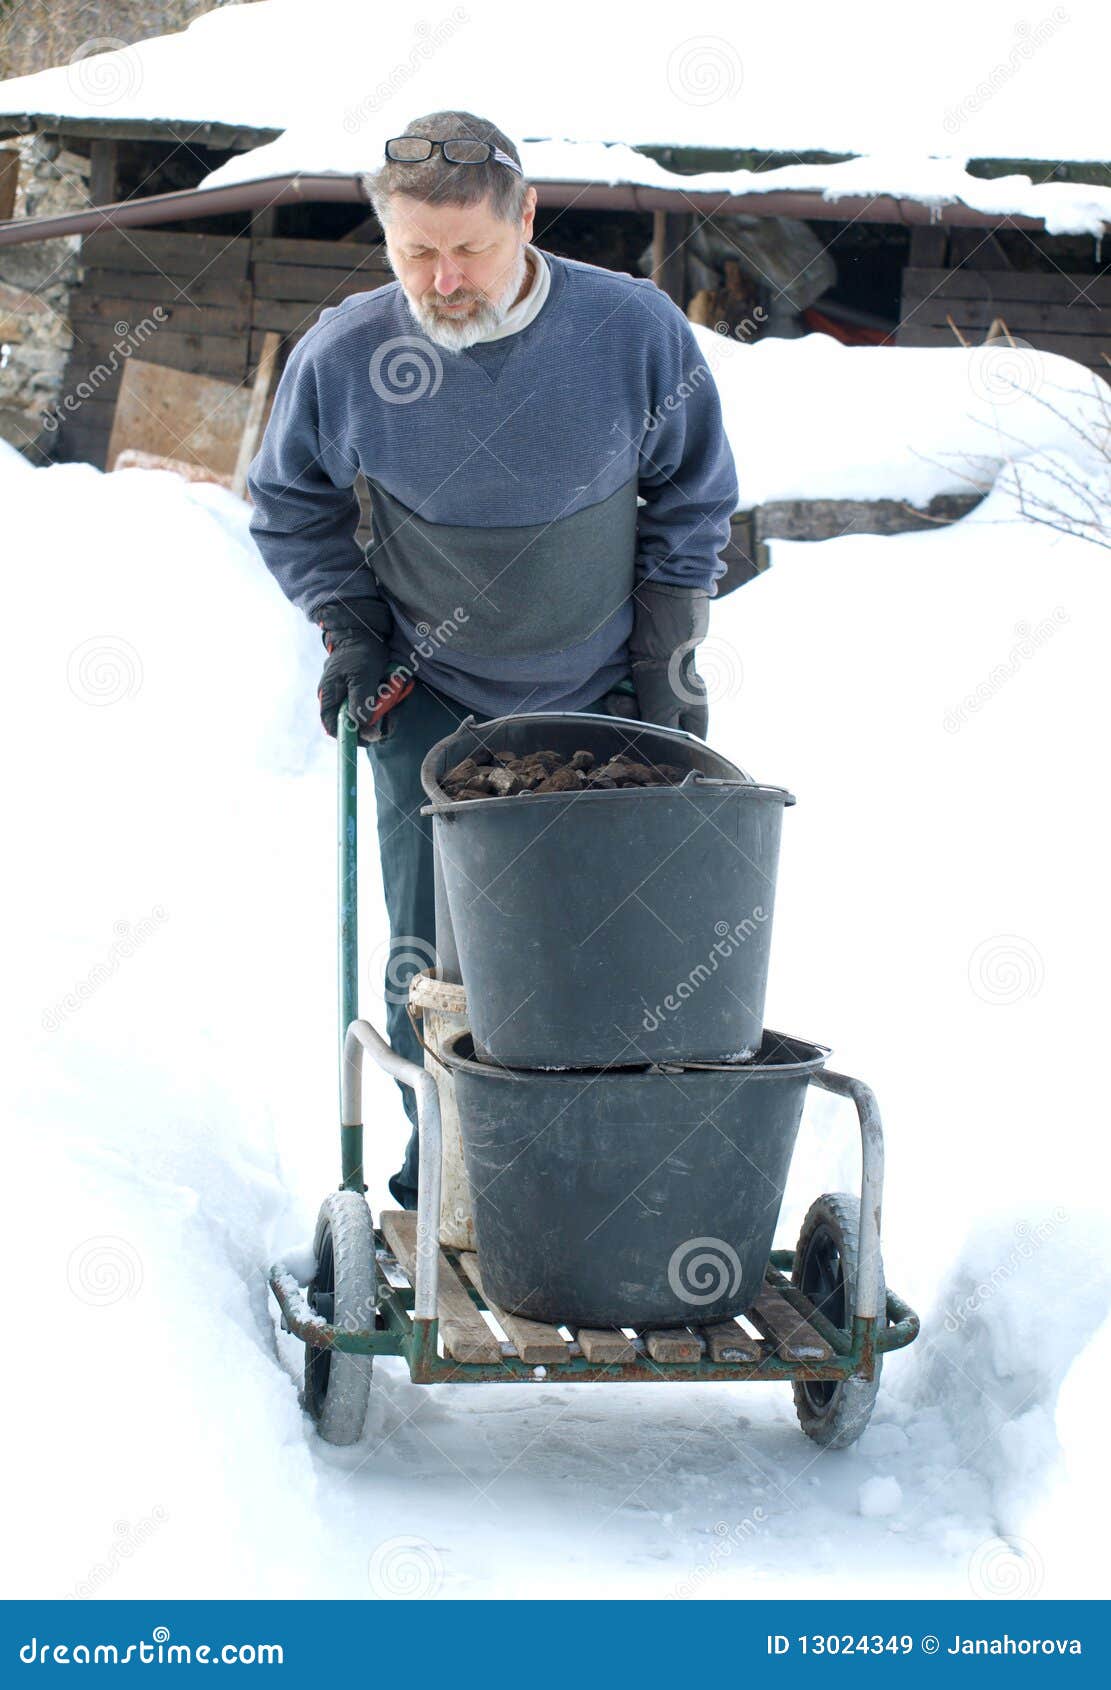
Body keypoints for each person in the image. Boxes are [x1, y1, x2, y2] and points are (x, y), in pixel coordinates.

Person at [247, 109, 739, 1208]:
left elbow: (693, 495)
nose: (444, 280)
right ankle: (449, 1174)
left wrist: (667, 655)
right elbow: (286, 504)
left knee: (616, 944)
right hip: (430, 692)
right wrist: (351, 627)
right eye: (414, 251)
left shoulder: (629, 330)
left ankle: (606, 1174)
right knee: (435, 957)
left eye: (468, 248)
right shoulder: (348, 354)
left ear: (526, 217)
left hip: (604, 692)